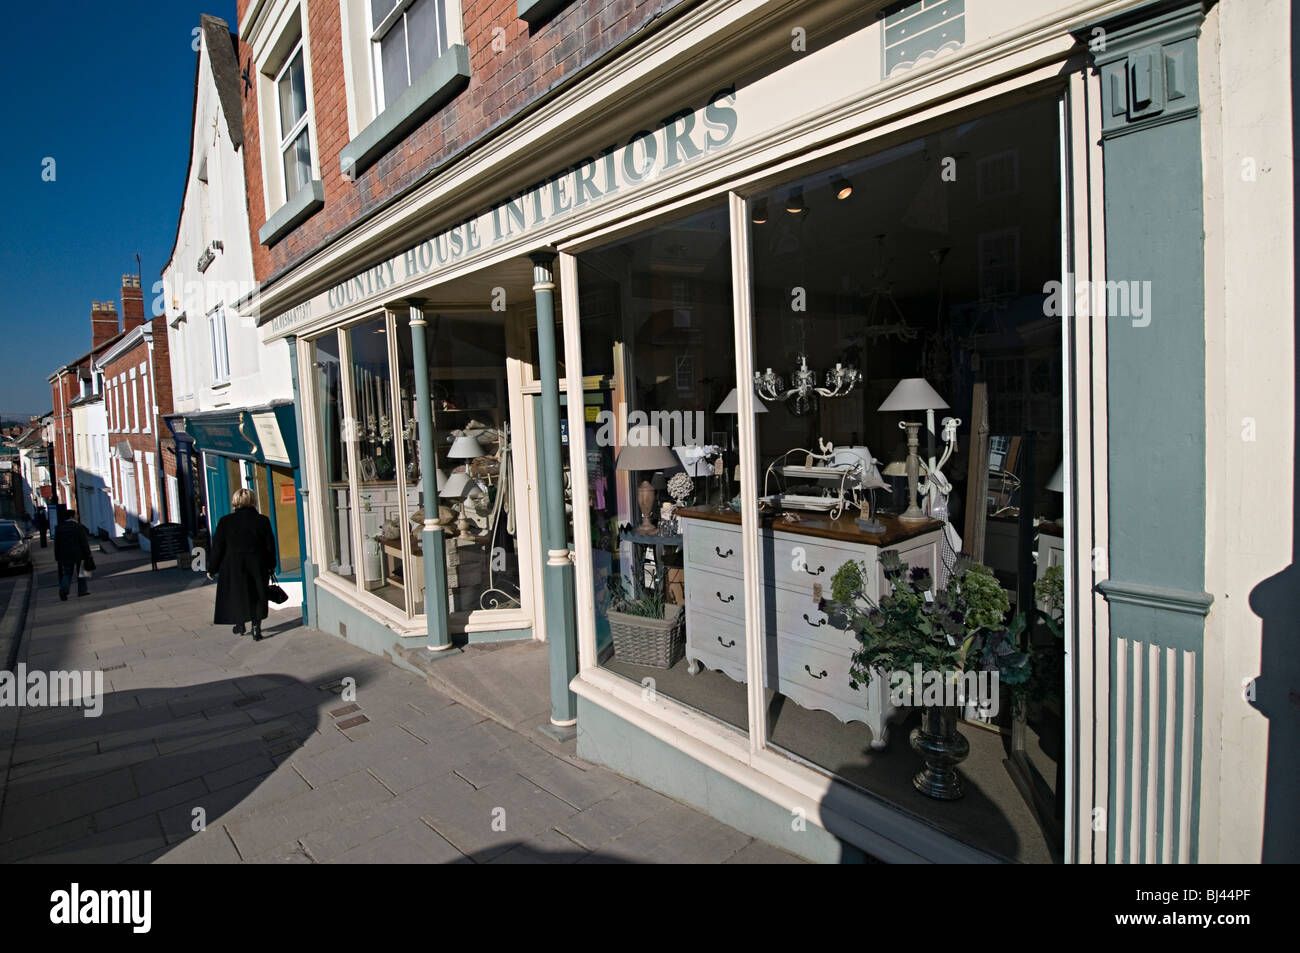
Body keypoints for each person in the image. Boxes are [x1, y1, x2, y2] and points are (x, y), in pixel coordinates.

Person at [208, 487, 277, 641]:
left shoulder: (225, 521)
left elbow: (218, 547)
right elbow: (269, 546)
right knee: (257, 595)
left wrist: (212, 568)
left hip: (233, 566)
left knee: (238, 594)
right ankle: (256, 627)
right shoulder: (262, 520)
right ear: (253, 501)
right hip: (257, 564)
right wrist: (271, 564)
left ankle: (240, 624)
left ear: (235, 502)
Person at [53, 509, 93, 600]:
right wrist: (88, 554)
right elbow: (84, 542)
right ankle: (82, 591)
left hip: (65, 554)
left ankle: (63, 590)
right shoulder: (78, 527)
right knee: (82, 573)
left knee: (67, 573)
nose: (77, 516)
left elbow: (57, 544)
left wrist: (57, 556)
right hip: (79, 553)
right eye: (76, 515)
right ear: (72, 516)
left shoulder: (59, 528)